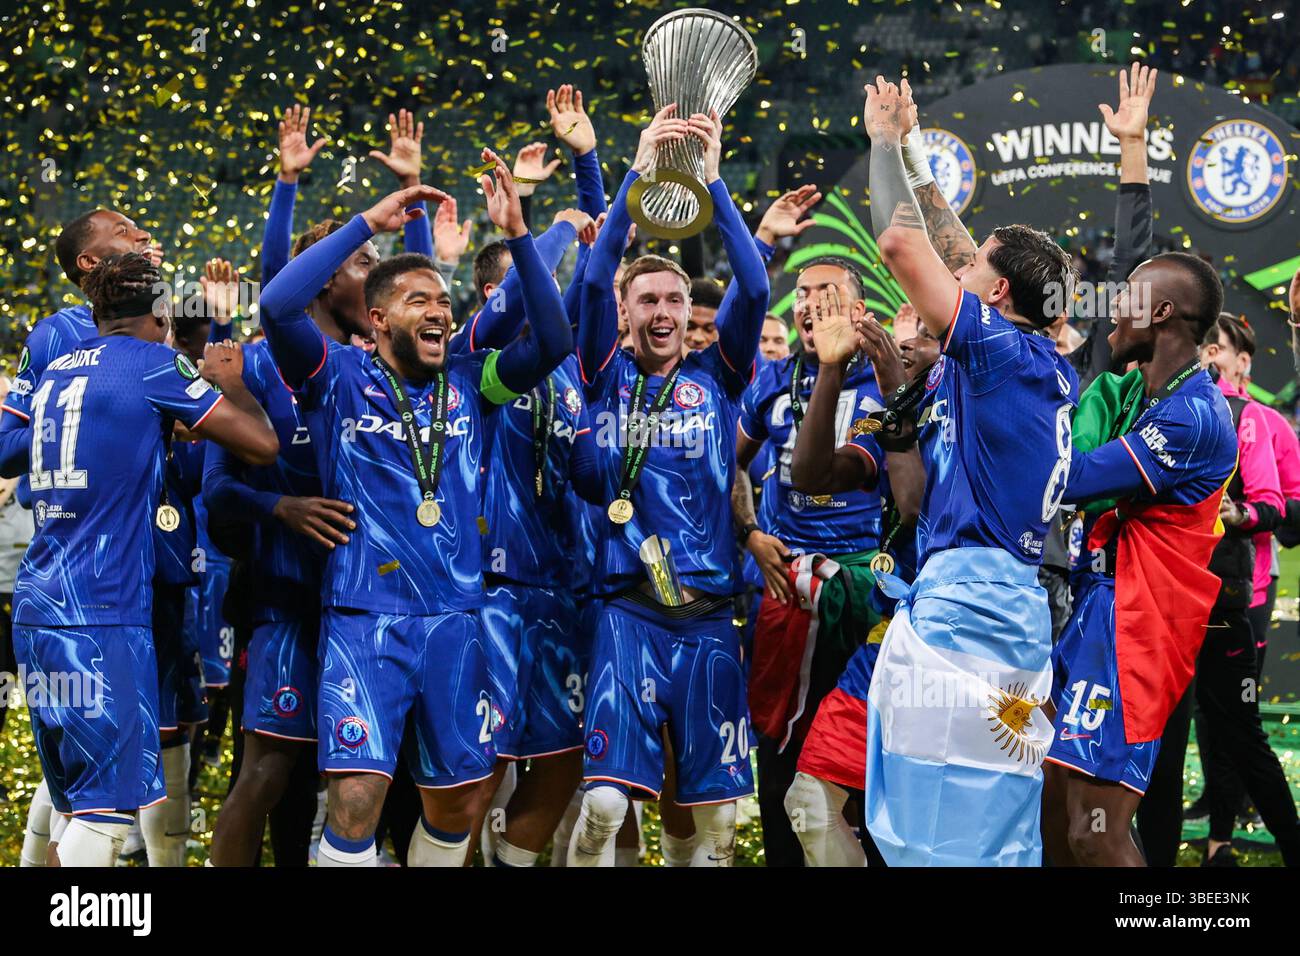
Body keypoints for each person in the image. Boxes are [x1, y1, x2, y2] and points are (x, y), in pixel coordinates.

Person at [256, 153, 572, 867]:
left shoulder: (474, 380)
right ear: (376, 319)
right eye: (420, 301)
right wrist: (368, 222)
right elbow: (276, 305)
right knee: (357, 797)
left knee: (458, 800)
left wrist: (522, 234)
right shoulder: (335, 376)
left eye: (444, 302)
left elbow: (553, 343)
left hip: (457, 620)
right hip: (366, 618)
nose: (440, 311)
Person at [0, 251, 278, 867]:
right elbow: (261, 445)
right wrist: (228, 378)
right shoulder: (156, 365)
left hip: (39, 606)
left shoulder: (55, 373)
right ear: (158, 313)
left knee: (73, 793)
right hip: (104, 609)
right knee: (103, 814)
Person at [861, 74, 1077, 866]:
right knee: (995, 830)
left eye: (978, 272)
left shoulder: (994, 352)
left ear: (1001, 294)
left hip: (969, 617)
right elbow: (958, 247)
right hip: (1005, 610)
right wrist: (917, 149)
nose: (963, 270)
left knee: (937, 835)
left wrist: (882, 139)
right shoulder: (1037, 356)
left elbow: (900, 245)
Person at [567, 104, 768, 867]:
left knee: (716, 823)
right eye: (646, 300)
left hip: (712, 612)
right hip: (627, 610)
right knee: (610, 800)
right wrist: (638, 171)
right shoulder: (601, 372)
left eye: (673, 301)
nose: (660, 312)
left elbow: (753, 279)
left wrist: (712, 184)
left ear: (692, 315)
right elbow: (591, 275)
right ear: (625, 313)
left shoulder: (720, 377)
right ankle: (589, 854)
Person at [784, 308, 935, 866]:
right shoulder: (890, 412)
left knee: (933, 823)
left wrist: (895, 384)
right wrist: (830, 371)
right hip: (889, 636)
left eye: (924, 335)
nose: (908, 346)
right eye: (900, 338)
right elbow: (811, 476)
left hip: (962, 645)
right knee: (808, 800)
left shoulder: (975, 409)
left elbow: (917, 502)